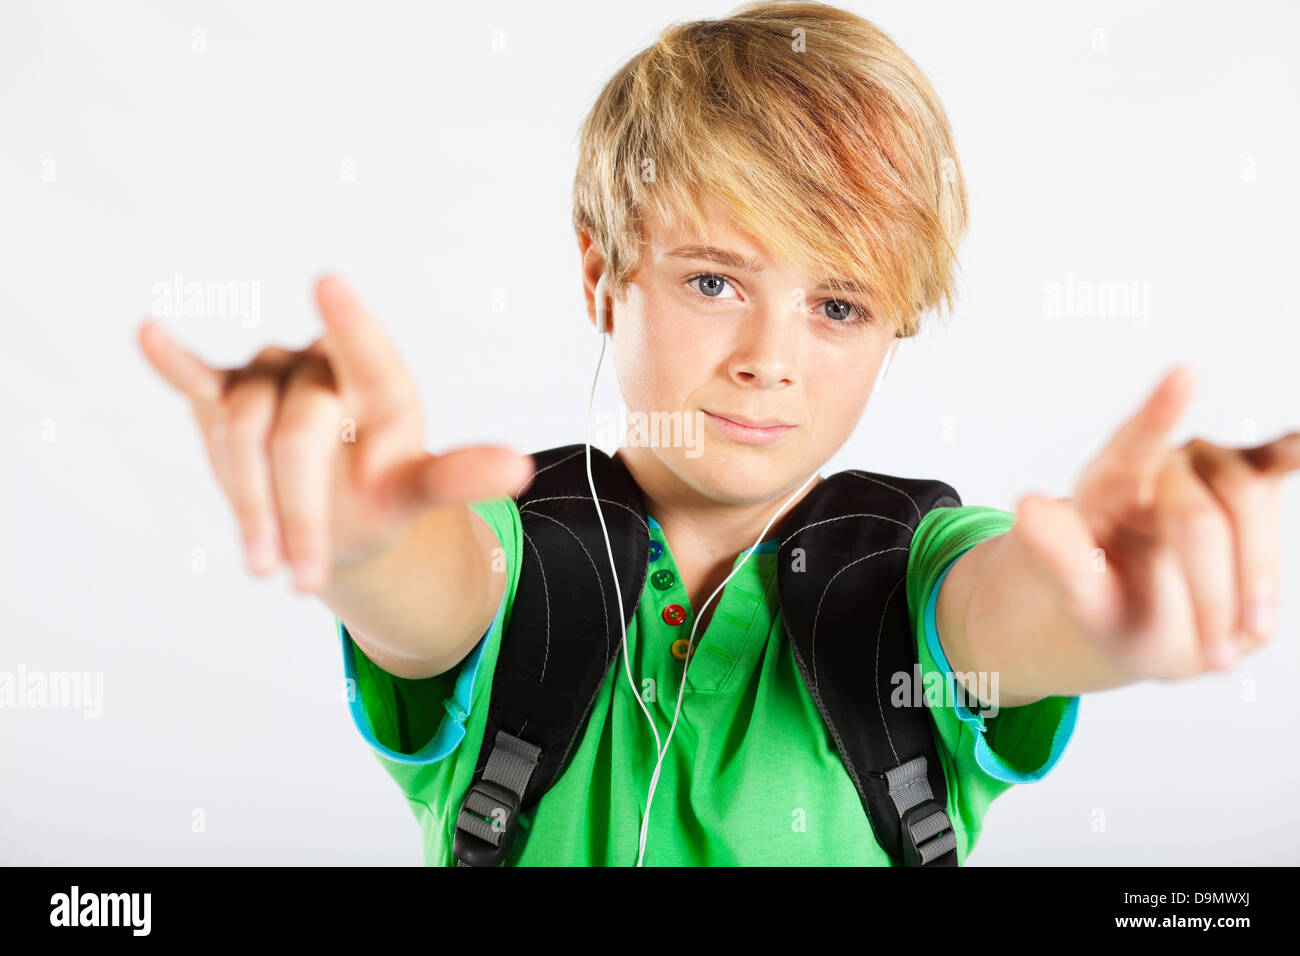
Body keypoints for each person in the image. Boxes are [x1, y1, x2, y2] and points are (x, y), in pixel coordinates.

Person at [137, 1, 1299, 866]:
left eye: (838, 306)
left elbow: (1015, 612)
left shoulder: (916, 566)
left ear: (894, 329)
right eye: (712, 281)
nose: (770, 357)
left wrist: (1108, 605)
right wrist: (356, 538)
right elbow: (430, 585)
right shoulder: (521, 549)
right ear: (602, 273)